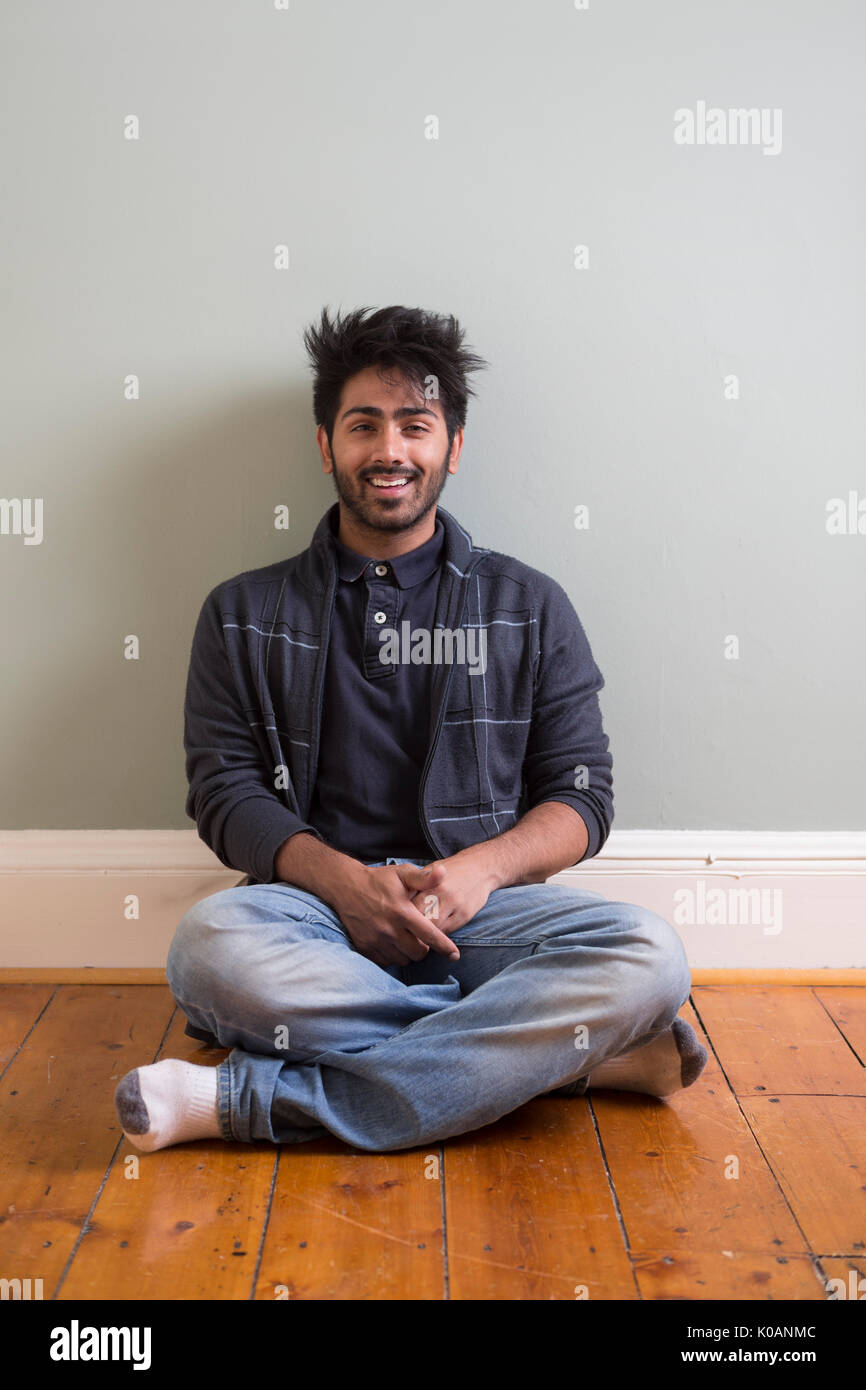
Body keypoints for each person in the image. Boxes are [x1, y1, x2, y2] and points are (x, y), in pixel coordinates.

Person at [114, 304, 707, 1154]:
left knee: (651, 955)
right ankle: (562, 1057)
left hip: (479, 919)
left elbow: (584, 798)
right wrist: (346, 885)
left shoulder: (530, 606)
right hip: (311, 919)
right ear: (327, 447)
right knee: (207, 950)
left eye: (414, 426)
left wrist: (479, 872)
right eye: (364, 426)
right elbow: (223, 793)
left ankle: (251, 1099)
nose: (389, 450)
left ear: (452, 447)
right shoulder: (241, 613)